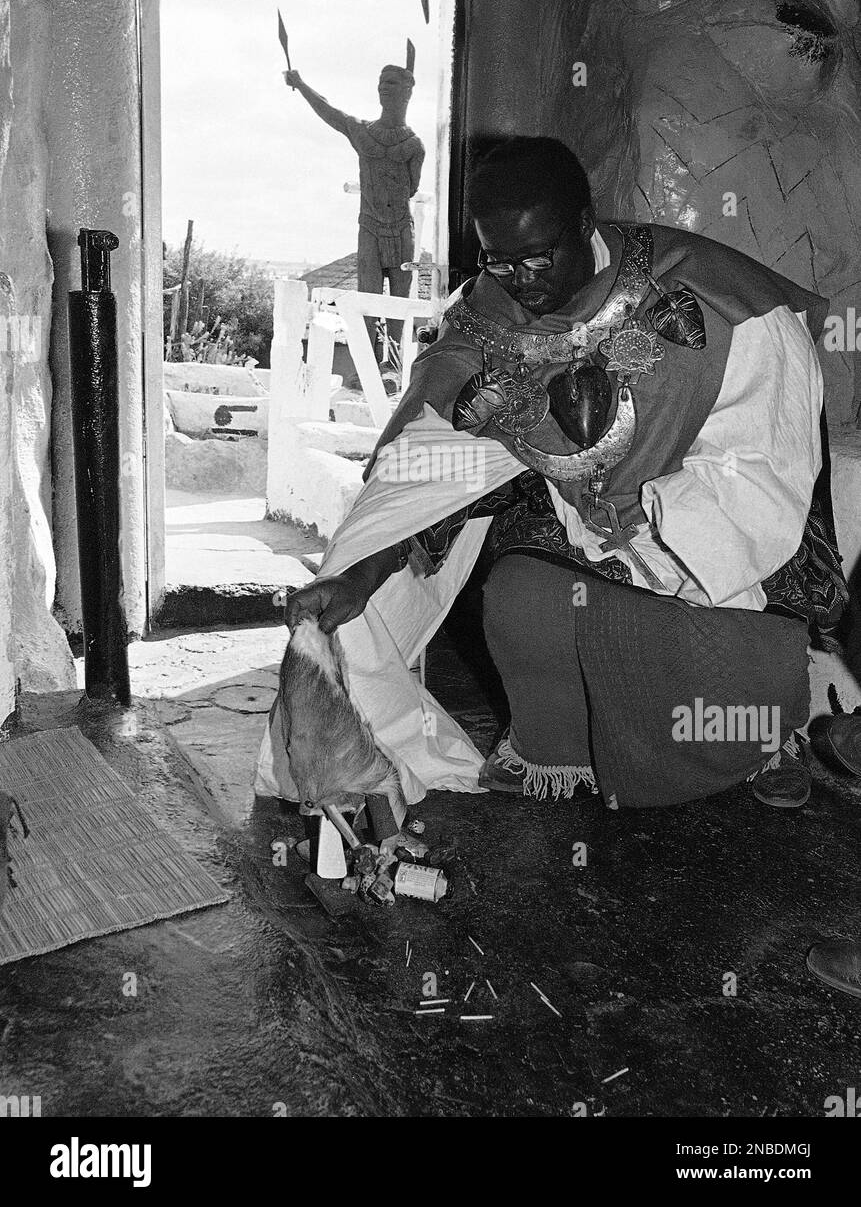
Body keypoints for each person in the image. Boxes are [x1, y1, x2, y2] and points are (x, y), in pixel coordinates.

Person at [256, 136, 853, 814]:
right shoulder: (487, 317)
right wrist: (362, 572)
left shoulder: (724, 303)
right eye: (498, 262)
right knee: (521, 598)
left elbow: (760, 470)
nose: (523, 282)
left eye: (539, 257)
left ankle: (762, 745)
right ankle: (554, 749)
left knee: (716, 659)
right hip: (581, 524)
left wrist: (642, 536)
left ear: (583, 224)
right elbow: (433, 464)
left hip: (720, 543)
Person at [283, 64, 425, 362]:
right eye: (381, 82)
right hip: (370, 227)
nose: (384, 87)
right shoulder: (362, 131)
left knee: (400, 304)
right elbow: (328, 111)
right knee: (366, 302)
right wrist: (301, 83)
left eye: (391, 83)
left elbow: (411, 189)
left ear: (407, 92)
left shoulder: (414, 146)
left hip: (401, 229)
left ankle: (396, 368)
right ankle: (367, 367)